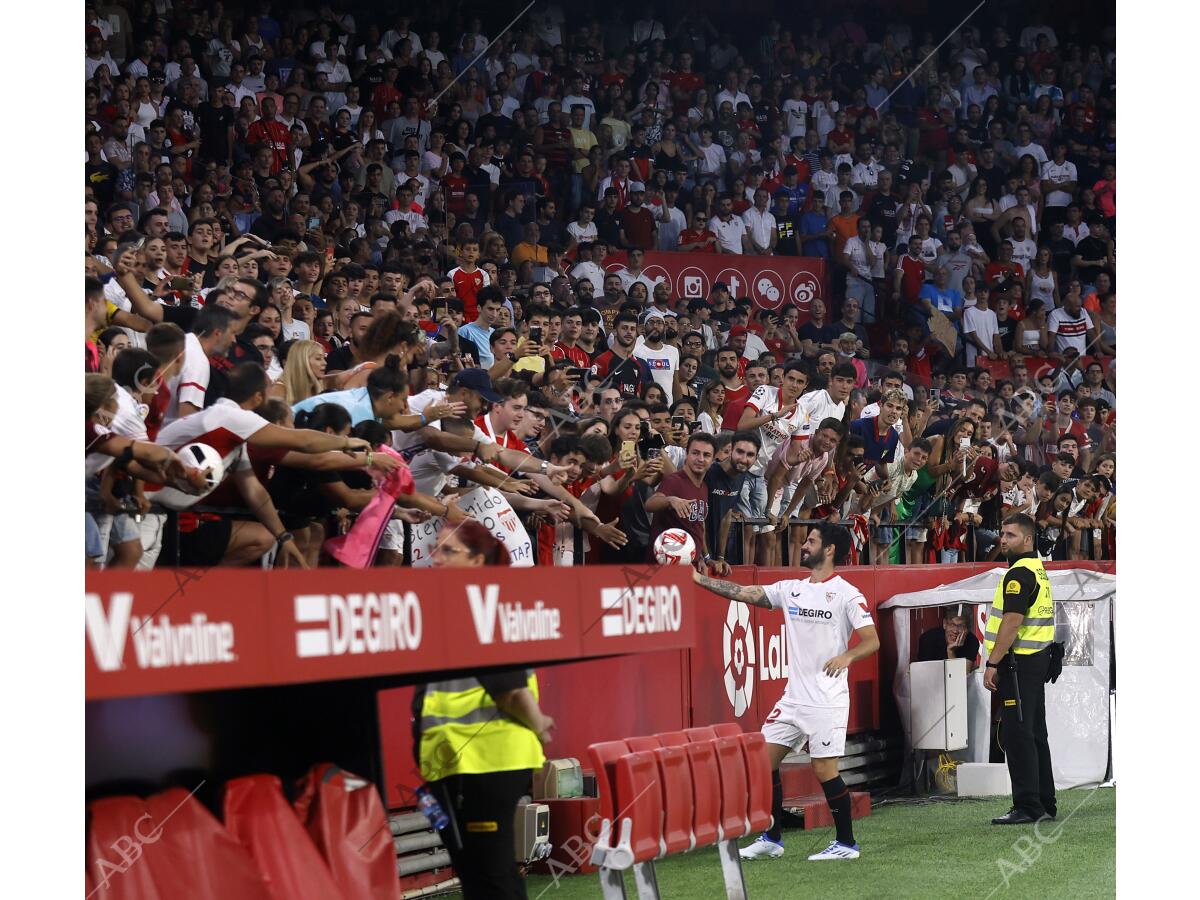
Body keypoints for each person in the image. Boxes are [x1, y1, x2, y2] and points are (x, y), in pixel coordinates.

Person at [693, 522, 879, 861]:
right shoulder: (791, 588)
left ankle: (846, 844)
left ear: (830, 550)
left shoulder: (847, 594)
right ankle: (772, 838)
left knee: (824, 770)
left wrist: (847, 655)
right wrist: (699, 580)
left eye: (811, 541)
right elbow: (746, 594)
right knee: (762, 762)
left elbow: (872, 640)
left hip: (826, 700)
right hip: (793, 699)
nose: (803, 546)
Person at [413, 520, 555, 899]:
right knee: (476, 872)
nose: (435, 558)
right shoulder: (461, 606)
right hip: (458, 763)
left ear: (477, 560)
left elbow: (509, 689)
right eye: (436, 548)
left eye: (447, 551)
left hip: (486, 762)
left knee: (491, 874)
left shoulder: (483, 607)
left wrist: (539, 723)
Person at [983, 513, 1058, 825]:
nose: (1003, 539)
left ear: (1027, 540)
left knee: (1017, 735)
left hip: (1018, 664)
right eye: (1002, 533)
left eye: (1011, 535)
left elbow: (1011, 623)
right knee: (1035, 732)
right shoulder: (1038, 570)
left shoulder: (1017, 576)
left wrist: (992, 662)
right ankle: (1044, 802)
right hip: (1037, 660)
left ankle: (1028, 806)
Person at [917, 606, 981, 672]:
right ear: (944, 624)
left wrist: (951, 651)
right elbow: (925, 674)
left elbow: (962, 677)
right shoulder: (928, 639)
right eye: (952, 624)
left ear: (967, 629)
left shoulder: (972, 641)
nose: (955, 631)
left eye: (960, 626)